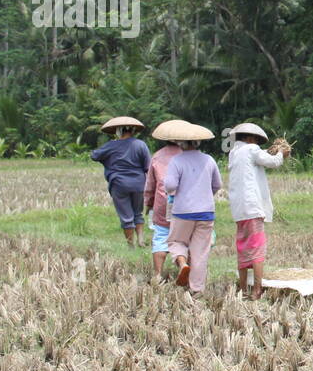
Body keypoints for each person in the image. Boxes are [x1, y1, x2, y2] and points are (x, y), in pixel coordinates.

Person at [227, 122, 289, 299]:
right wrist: (281, 152)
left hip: (239, 210)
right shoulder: (252, 149)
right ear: (249, 138)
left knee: (243, 247)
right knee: (256, 248)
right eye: (254, 139)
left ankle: (243, 289)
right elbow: (273, 162)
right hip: (252, 207)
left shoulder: (234, 153)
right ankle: (257, 289)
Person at [162, 125, 221, 295]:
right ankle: (197, 289)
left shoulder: (177, 161)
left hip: (183, 211)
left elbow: (170, 185)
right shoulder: (209, 160)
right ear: (198, 142)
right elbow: (217, 185)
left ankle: (182, 264)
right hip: (206, 212)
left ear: (181, 143)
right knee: (201, 251)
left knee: (176, 242)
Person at [90, 116, 151, 246]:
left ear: (118, 131)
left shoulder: (111, 145)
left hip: (119, 184)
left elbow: (94, 155)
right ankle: (140, 238)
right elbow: (147, 167)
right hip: (139, 184)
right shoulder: (141, 145)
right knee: (137, 213)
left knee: (126, 216)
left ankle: (131, 245)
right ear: (133, 131)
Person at [143, 121, 187, 282]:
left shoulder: (157, 156)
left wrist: (148, 204)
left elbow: (150, 185)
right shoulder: (186, 155)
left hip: (162, 203)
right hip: (183, 204)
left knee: (161, 235)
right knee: (180, 238)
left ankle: (157, 275)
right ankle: (183, 265)